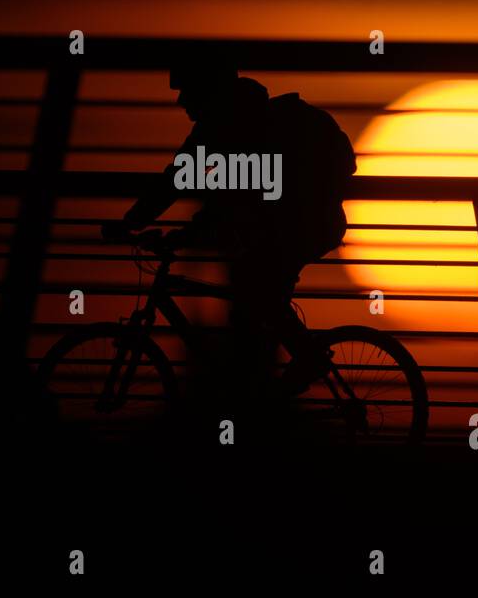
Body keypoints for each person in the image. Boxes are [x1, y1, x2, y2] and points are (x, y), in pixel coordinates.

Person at [102, 61, 356, 397]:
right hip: (297, 224)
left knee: (254, 285)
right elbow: (179, 180)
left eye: (185, 92)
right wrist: (138, 221)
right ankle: (261, 384)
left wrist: (143, 225)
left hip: (304, 224)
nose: (181, 102)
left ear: (207, 92)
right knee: (253, 295)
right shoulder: (221, 124)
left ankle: (295, 367)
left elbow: (227, 198)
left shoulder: (239, 125)